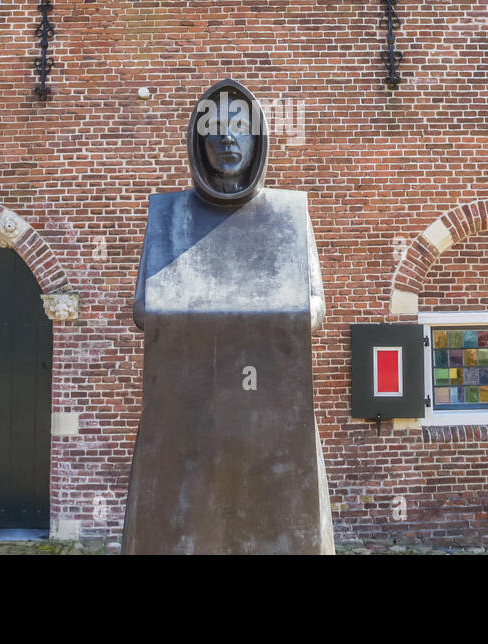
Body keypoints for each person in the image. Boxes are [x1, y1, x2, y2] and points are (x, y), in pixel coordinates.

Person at [124, 79, 332, 554]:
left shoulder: (287, 215)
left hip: (278, 419)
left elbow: (314, 310)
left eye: (240, 129)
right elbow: (143, 308)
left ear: (258, 140)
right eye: (215, 132)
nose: (228, 141)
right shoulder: (169, 215)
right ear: (199, 145)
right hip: (184, 417)